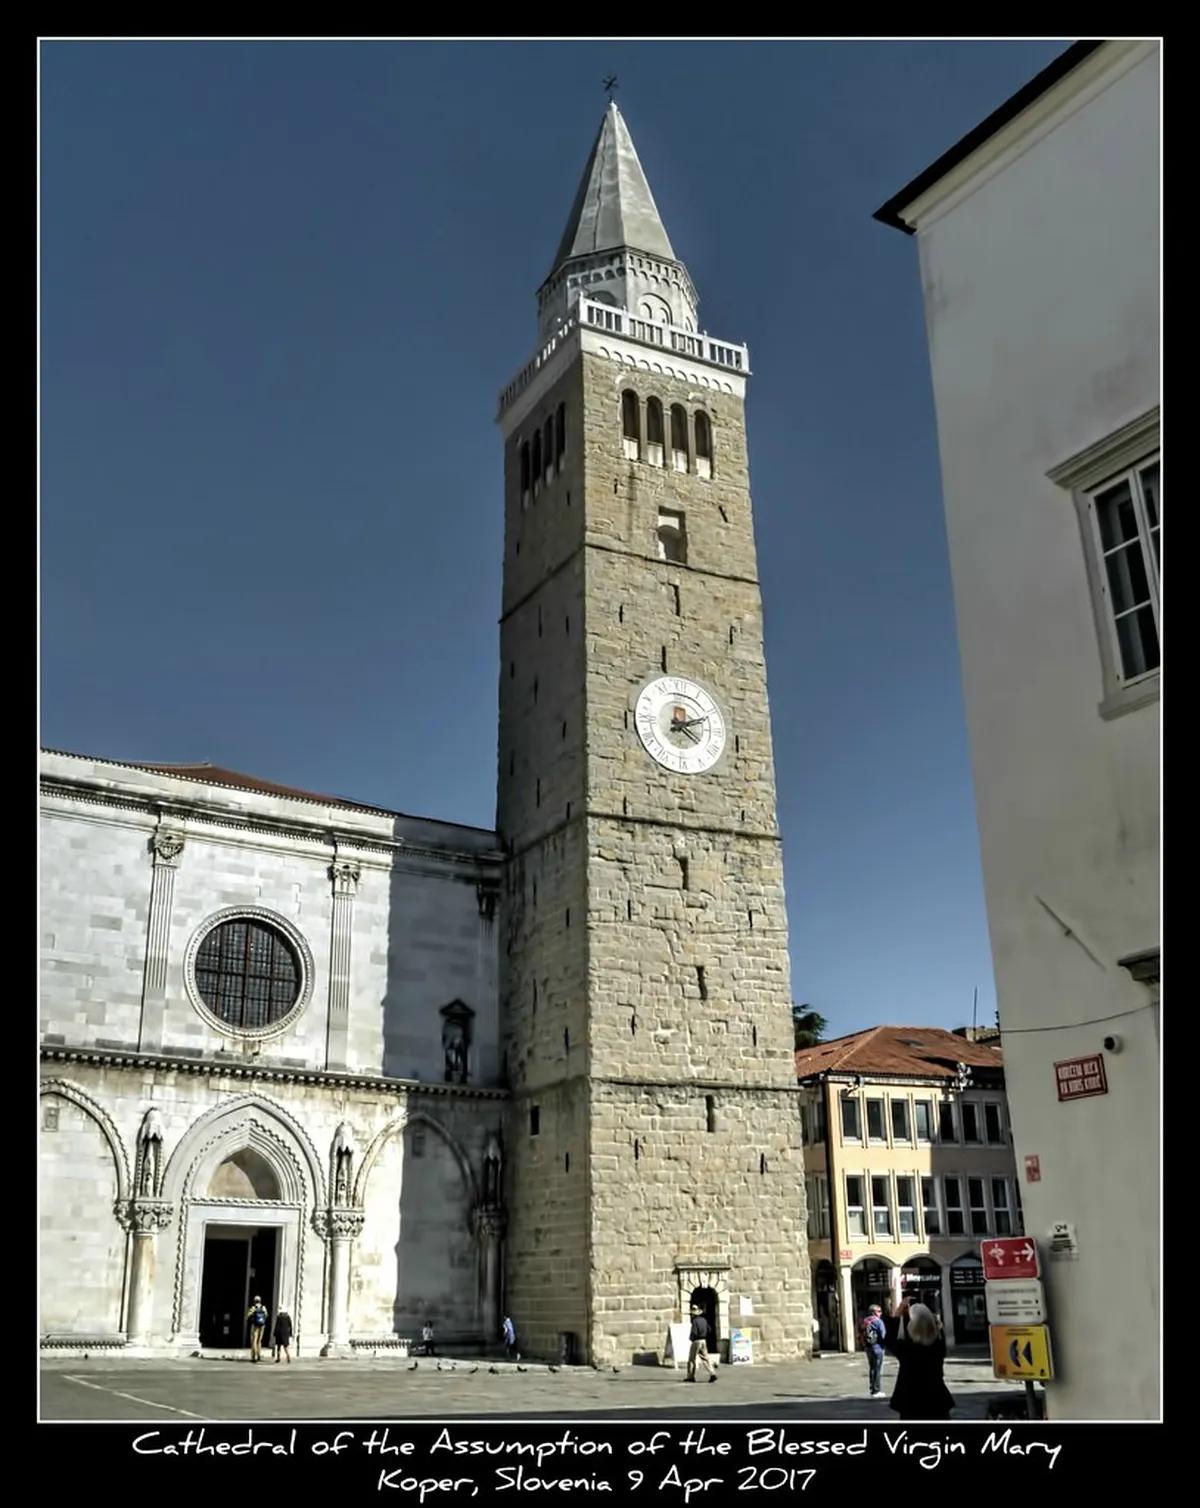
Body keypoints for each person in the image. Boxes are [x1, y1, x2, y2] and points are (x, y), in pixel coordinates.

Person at [884, 1300, 955, 1420]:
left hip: (911, 1402)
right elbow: (936, 1330)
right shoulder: (938, 1347)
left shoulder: (907, 1349)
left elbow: (889, 1339)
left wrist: (898, 1314)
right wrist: (930, 1318)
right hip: (936, 1399)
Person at [685, 1305, 718, 1383]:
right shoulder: (704, 1320)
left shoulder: (695, 1321)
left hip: (696, 1341)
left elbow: (694, 1332)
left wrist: (691, 1338)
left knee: (691, 1359)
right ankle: (712, 1373)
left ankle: (690, 1376)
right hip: (704, 1340)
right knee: (705, 1358)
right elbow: (709, 1329)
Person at [860, 1303, 886, 1398]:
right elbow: (883, 1335)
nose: (881, 1313)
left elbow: (860, 1333)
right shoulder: (878, 1322)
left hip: (868, 1347)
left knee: (872, 1368)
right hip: (878, 1347)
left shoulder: (865, 1321)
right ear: (874, 1312)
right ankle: (877, 1390)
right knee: (878, 1369)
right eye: (879, 1311)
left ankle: (872, 1388)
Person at [246, 1296, 269, 1363]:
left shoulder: (253, 1308)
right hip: (262, 1325)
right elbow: (266, 1315)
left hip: (255, 1326)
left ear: (254, 1301)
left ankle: (254, 1356)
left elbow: (248, 1315)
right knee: (259, 1341)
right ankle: (259, 1355)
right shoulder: (263, 1307)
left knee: (254, 1341)